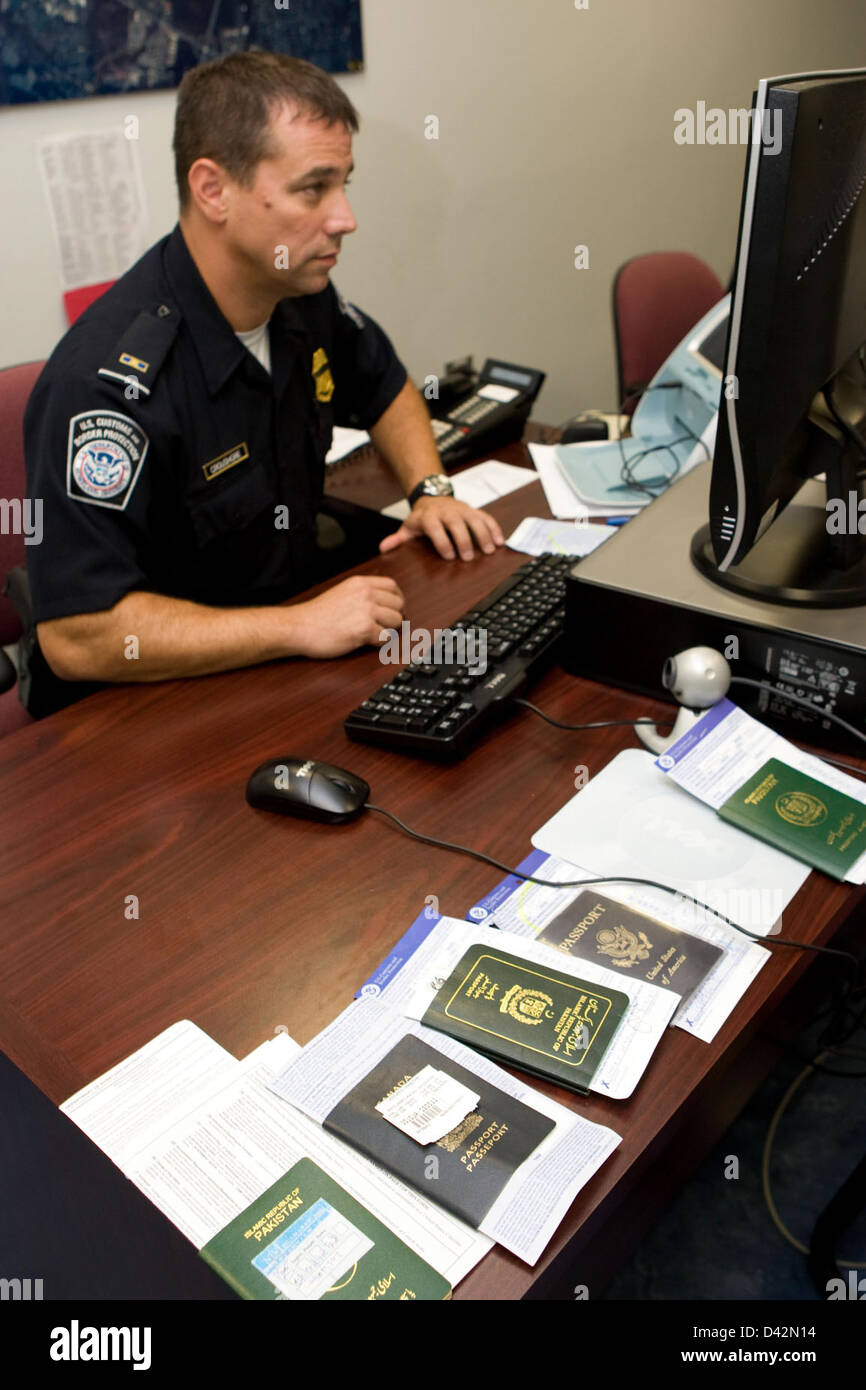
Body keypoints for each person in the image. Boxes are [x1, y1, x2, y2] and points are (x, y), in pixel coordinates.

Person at [22, 51, 504, 714]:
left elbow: (386, 386)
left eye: (344, 185)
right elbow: (78, 637)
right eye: (313, 189)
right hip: (146, 715)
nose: (345, 218)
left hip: (284, 668)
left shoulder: (297, 292)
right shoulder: (104, 385)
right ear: (213, 190)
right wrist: (296, 626)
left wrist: (431, 490)